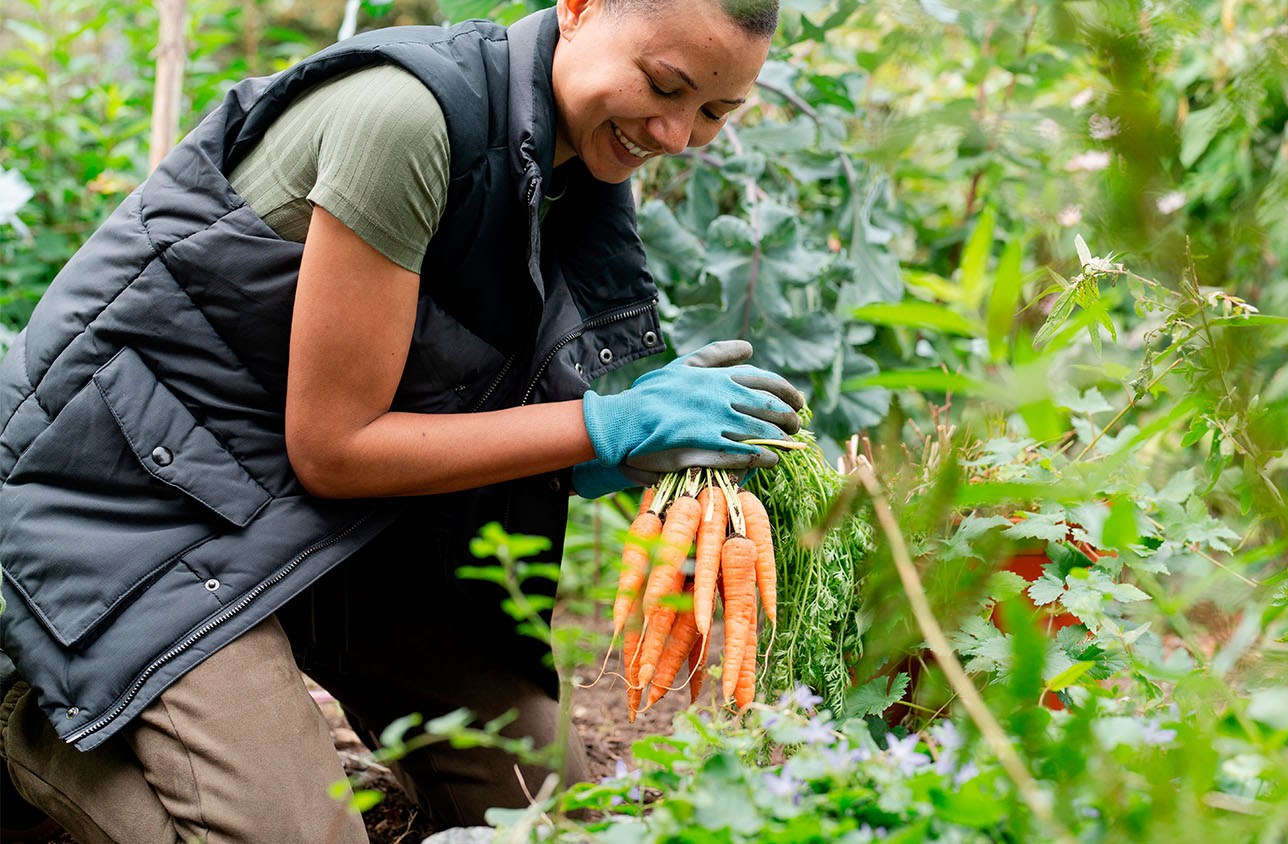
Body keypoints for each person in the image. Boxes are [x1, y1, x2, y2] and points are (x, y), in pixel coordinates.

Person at [0, 0, 798, 839]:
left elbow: (437, 392)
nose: (674, 135)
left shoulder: (570, 164)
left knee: (549, 815)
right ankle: (35, 718)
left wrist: (606, 454)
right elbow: (336, 450)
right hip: (127, 510)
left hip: (306, 518)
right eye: (663, 85)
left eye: (714, 111)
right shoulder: (407, 117)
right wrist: (602, 425)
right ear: (578, 9)